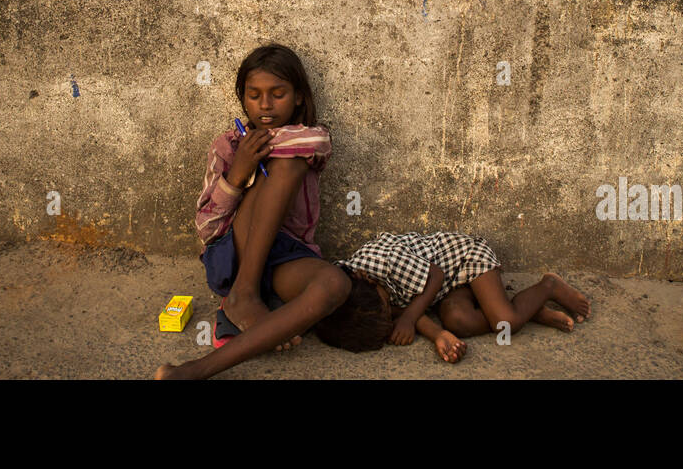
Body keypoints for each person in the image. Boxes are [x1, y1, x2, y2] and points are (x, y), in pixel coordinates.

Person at [156, 43, 351, 379]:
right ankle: (244, 293)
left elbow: (315, 144)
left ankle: (195, 369)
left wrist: (262, 146)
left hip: (283, 256)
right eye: (254, 95)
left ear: (299, 97)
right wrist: (239, 171)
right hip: (231, 254)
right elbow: (206, 227)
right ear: (242, 97)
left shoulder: (311, 137)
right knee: (285, 167)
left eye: (278, 94)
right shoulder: (229, 145)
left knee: (335, 283)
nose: (265, 105)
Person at [330, 231, 591, 363]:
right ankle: (529, 309)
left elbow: (436, 276)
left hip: (463, 260)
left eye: (388, 307)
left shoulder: (387, 263)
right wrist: (438, 335)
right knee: (457, 322)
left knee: (506, 324)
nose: (392, 312)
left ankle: (548, 287)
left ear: (372, 282)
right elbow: (398, 316)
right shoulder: (355, 292)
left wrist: (409, 317)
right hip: (446, 291)